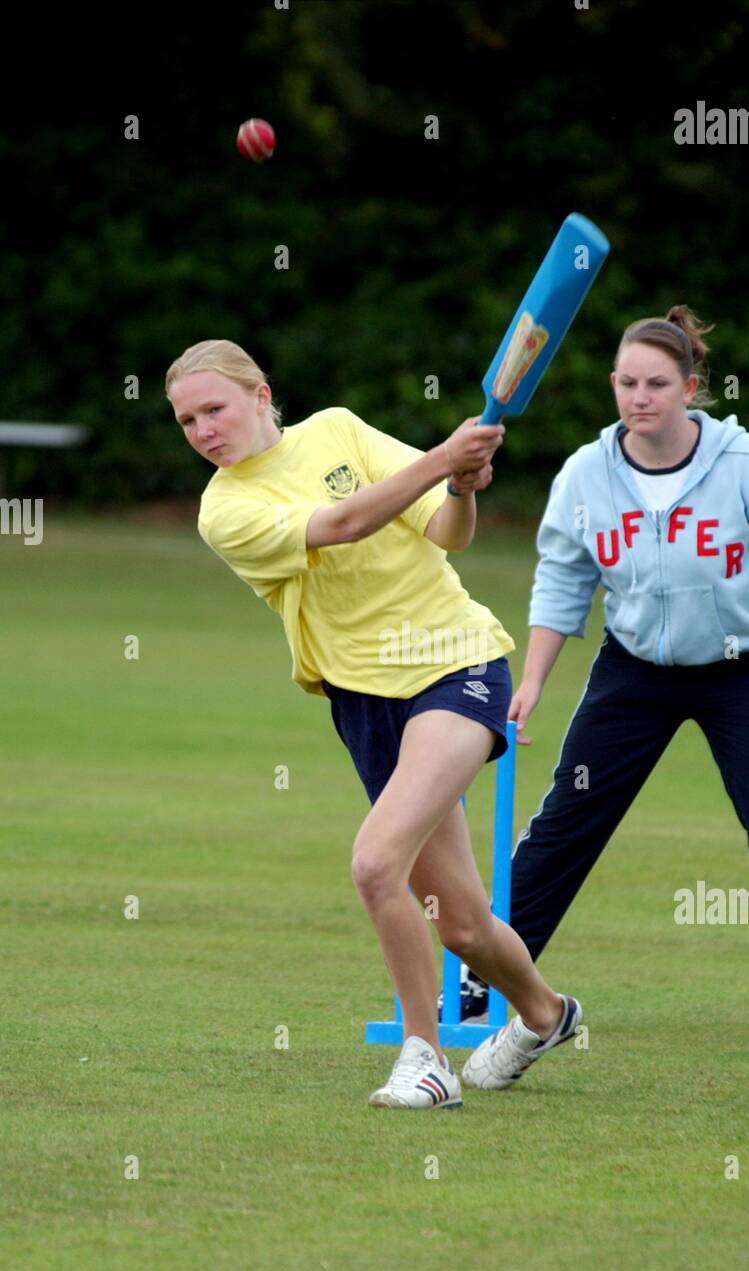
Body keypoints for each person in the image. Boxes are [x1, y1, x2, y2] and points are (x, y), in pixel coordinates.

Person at [165, 339, 582, 1109]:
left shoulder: (339, 430)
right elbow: (347, 521)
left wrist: (458, 484)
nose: (202, 430)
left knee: (374, 863)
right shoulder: (225, 510)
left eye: (214, 408)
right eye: (187, 420)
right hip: (363, 702)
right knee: (460, 924)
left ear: (261, 394)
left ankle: (423, 1057)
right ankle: (546, 1015)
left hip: (455, 663)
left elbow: (448, 531)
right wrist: (443, 457)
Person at [458, 304, 749, 1080]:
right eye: (627, 383)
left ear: (691, 387)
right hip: (635, 668)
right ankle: (488, 974)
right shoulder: (586, 473)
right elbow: (563, 581)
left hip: (747, 667)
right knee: (567, 819)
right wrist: (533, 682)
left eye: (657, 383)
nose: (640, 397)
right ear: (612, 386)